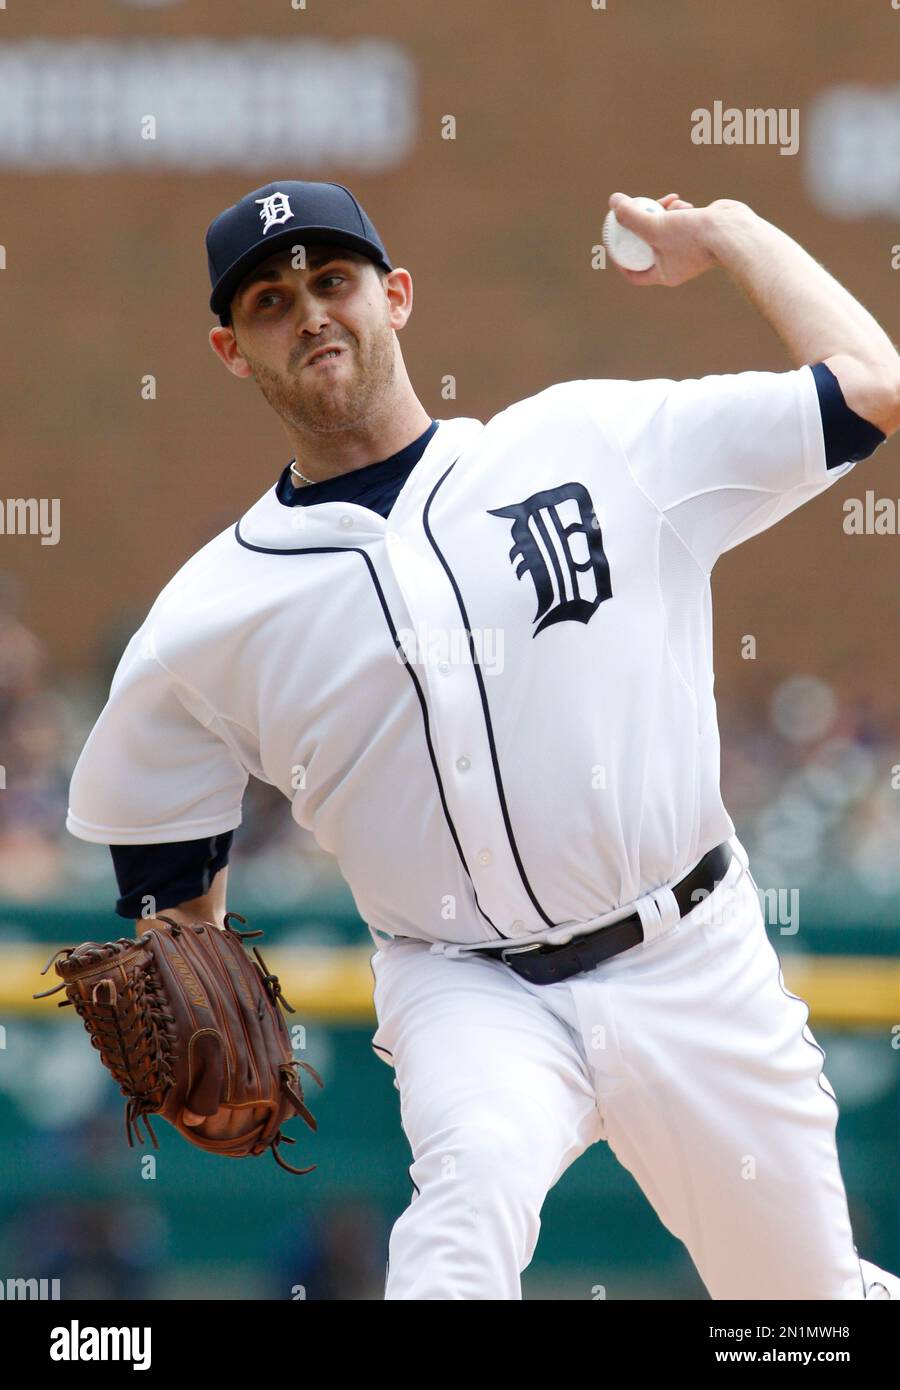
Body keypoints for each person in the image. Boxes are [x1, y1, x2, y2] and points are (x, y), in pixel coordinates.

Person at [66, 180, 899, 1300]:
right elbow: (170, 888)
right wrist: (192, 984)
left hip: (693, 955)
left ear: (395, 296)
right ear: (230, 350)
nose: (309, 310)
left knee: (804, 1304)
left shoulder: (597, 442)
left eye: (333, 279)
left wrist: (729, 233)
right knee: (456, 1236)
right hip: (466, 988)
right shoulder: (206, 621)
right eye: (269, 300)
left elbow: (874, 388)